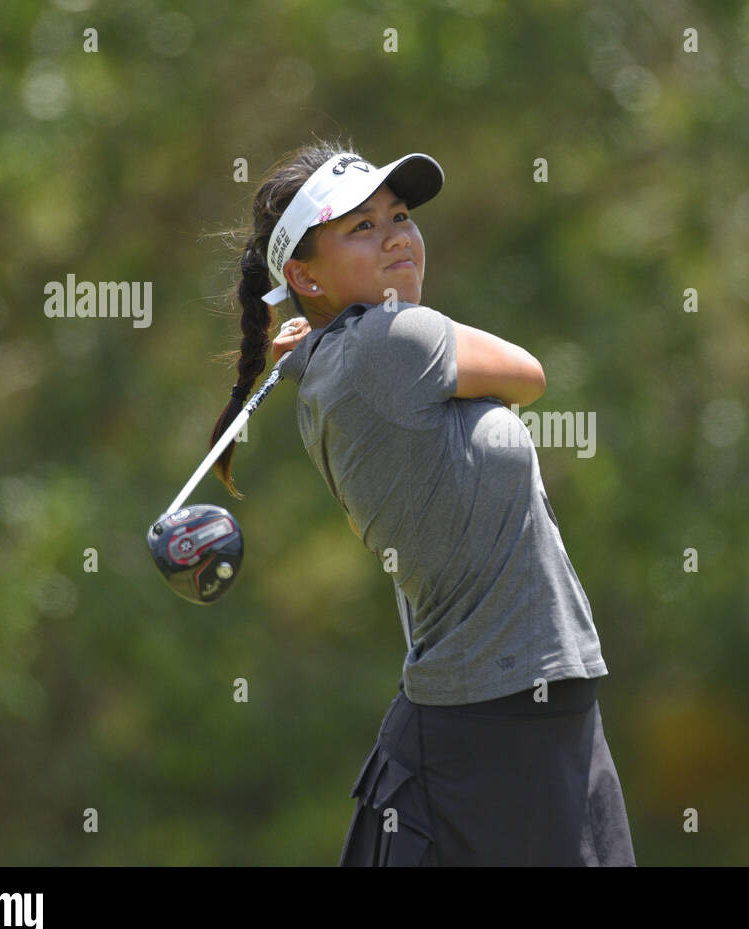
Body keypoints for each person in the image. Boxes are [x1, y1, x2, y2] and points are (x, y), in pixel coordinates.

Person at [209, 137, 635, 866]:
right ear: (302, 274)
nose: (397, 235)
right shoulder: (387, 343)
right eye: (362, 227)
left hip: (533, 711)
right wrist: (360, 319)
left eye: (399, 214)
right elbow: (529, 375)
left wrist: (333, 320)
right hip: (490, 734)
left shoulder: (346, 355)